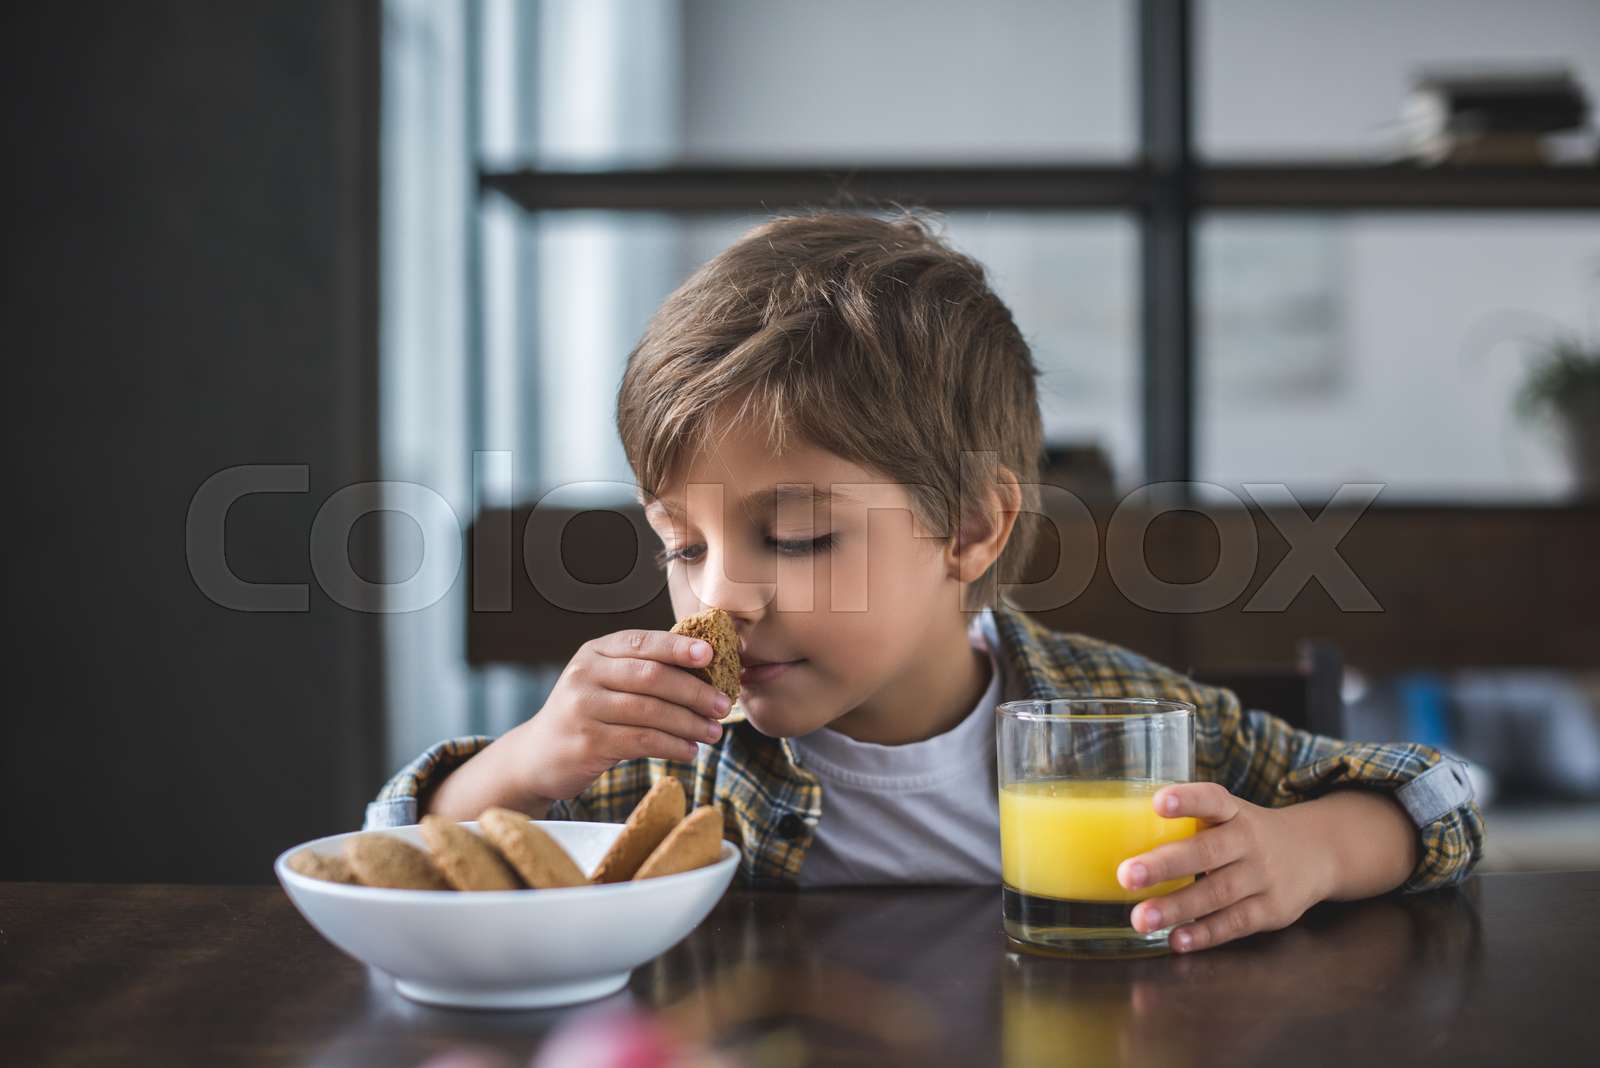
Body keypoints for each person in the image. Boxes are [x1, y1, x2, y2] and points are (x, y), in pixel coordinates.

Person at [366, 211, 1483, 953]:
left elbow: (1435, 795)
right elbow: (404, 862)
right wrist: (523, 762)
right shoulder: (676, 760)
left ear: (970, 527)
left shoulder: (1129, 731)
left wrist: (1309, 851)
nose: (722, 600)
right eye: (683, 544)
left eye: (797, 537)